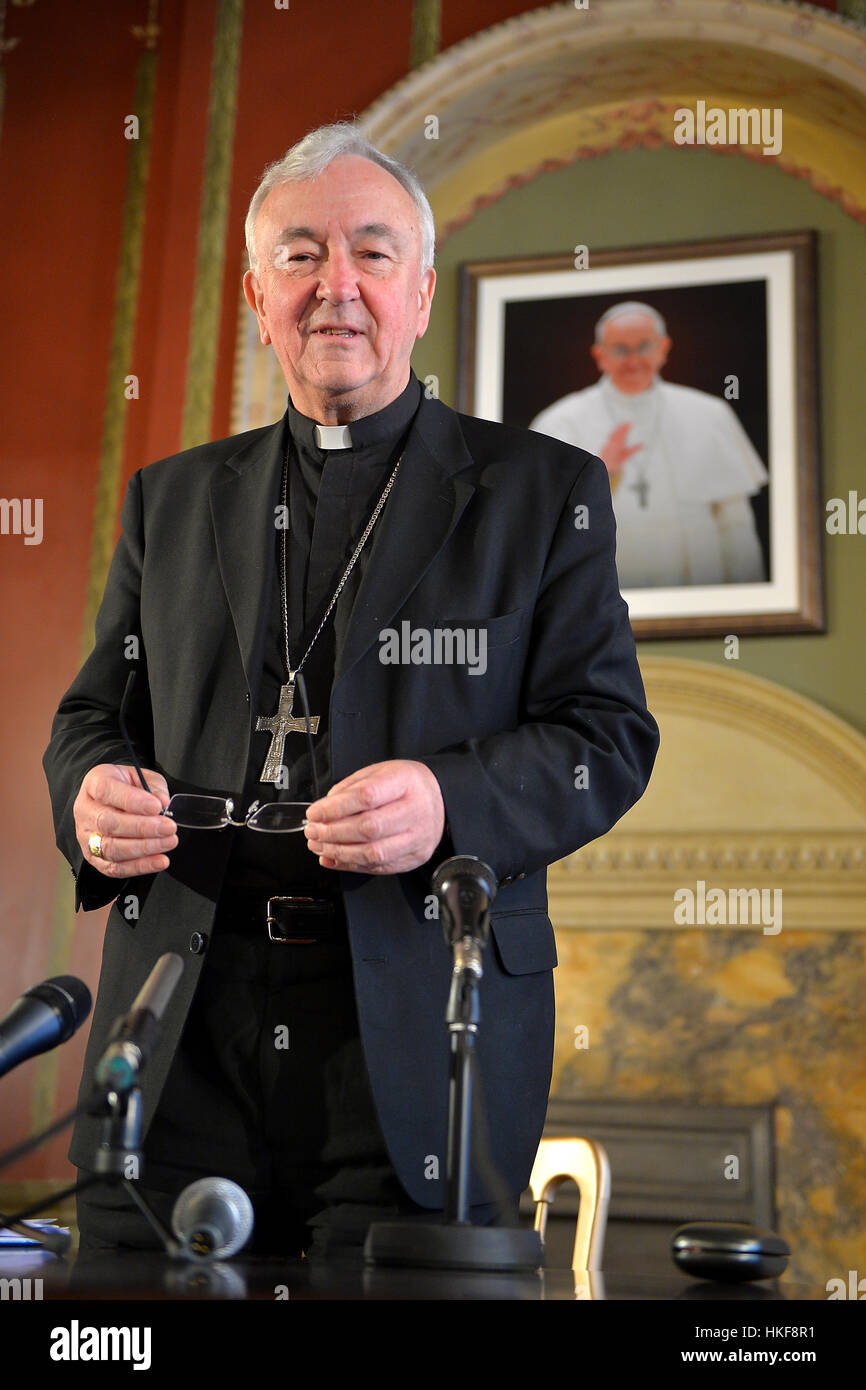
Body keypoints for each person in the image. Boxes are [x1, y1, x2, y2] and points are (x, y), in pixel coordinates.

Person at [44, 123, 659, 1261]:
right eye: (300, 255)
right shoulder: (169, 500)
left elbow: (607, 737)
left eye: (372, 255)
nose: (338, 287)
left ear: (420, 293)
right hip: (181, 1024)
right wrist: (87, 792)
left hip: (415, 1032)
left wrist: (446, 801)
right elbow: (95, 714)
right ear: (255, 293)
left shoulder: (539, 492)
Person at [530, 301, 769, 589]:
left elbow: (736, 524)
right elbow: (540, 529)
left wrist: (748, 598)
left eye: (644, 347)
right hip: (602, 597)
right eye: (620, 349)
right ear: (599, 355)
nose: (633, 361)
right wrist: (601, 476)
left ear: (664, 348)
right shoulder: (561, 422)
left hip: (698, 591)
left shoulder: (708, 413)